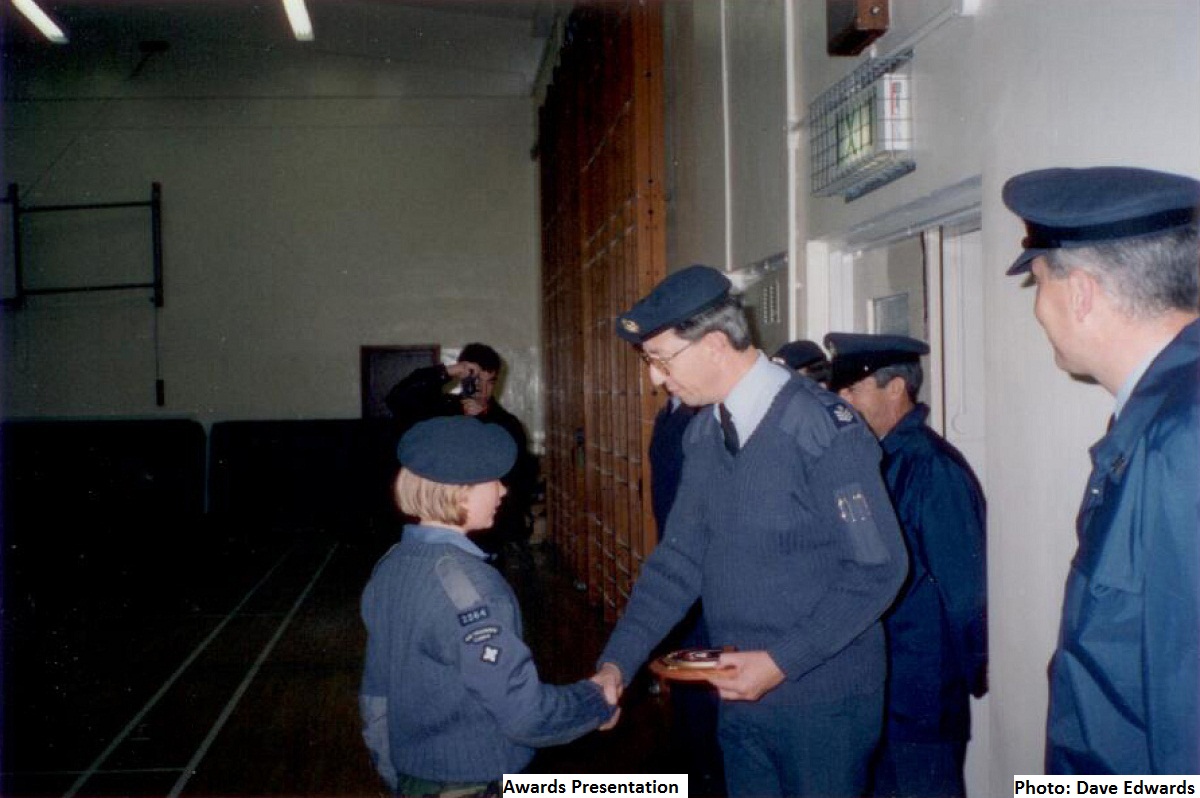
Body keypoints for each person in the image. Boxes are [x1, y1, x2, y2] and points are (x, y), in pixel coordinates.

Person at [593, 264, 908, 797]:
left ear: (715, 345)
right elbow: (678, 563)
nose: (655, 379)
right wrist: (616, 663)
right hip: (739, 690)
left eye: (661, 360)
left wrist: (781, 662)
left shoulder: (819, 426)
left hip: (822, 704)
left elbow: (879, 569)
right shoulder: (704, 435)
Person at [1002, 166, 1200, 775]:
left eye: (1039, 283)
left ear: (1081, 294)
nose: (1039, 310)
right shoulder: (1163, 411)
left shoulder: (1180, 437)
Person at [359, 416, 616, 796]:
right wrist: (595, 702)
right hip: (479, 782)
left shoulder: (391, 566)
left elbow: (375, 697)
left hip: (416, 778)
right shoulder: (471, 586)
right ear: (460, 492)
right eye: (492, 480)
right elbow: (525, 715)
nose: (502, 490)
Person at [826, 332, 987, 798]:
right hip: (875, 689)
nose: (843, 401)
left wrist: (970, 673)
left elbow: (966, 589)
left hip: (921, 697)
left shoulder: (931, 468)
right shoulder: (873, 459)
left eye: (853, 390)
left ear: (895, 388)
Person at [385, 343, 536, 555]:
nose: (483, 389)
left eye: (490, 381)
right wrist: (447, 371)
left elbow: (519, 478)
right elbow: (397, 399)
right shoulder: (442, 411)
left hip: (485, 531)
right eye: (476, 379)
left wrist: (484, 419)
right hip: (439, 522)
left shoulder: (506, 423)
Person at [648, 394, 725, 796]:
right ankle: (687, 763)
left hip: (704, 566)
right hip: (675, 556)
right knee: (682, 661)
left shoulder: (708, 413)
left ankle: (706, 772)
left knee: (702, 668)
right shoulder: (670, 412)